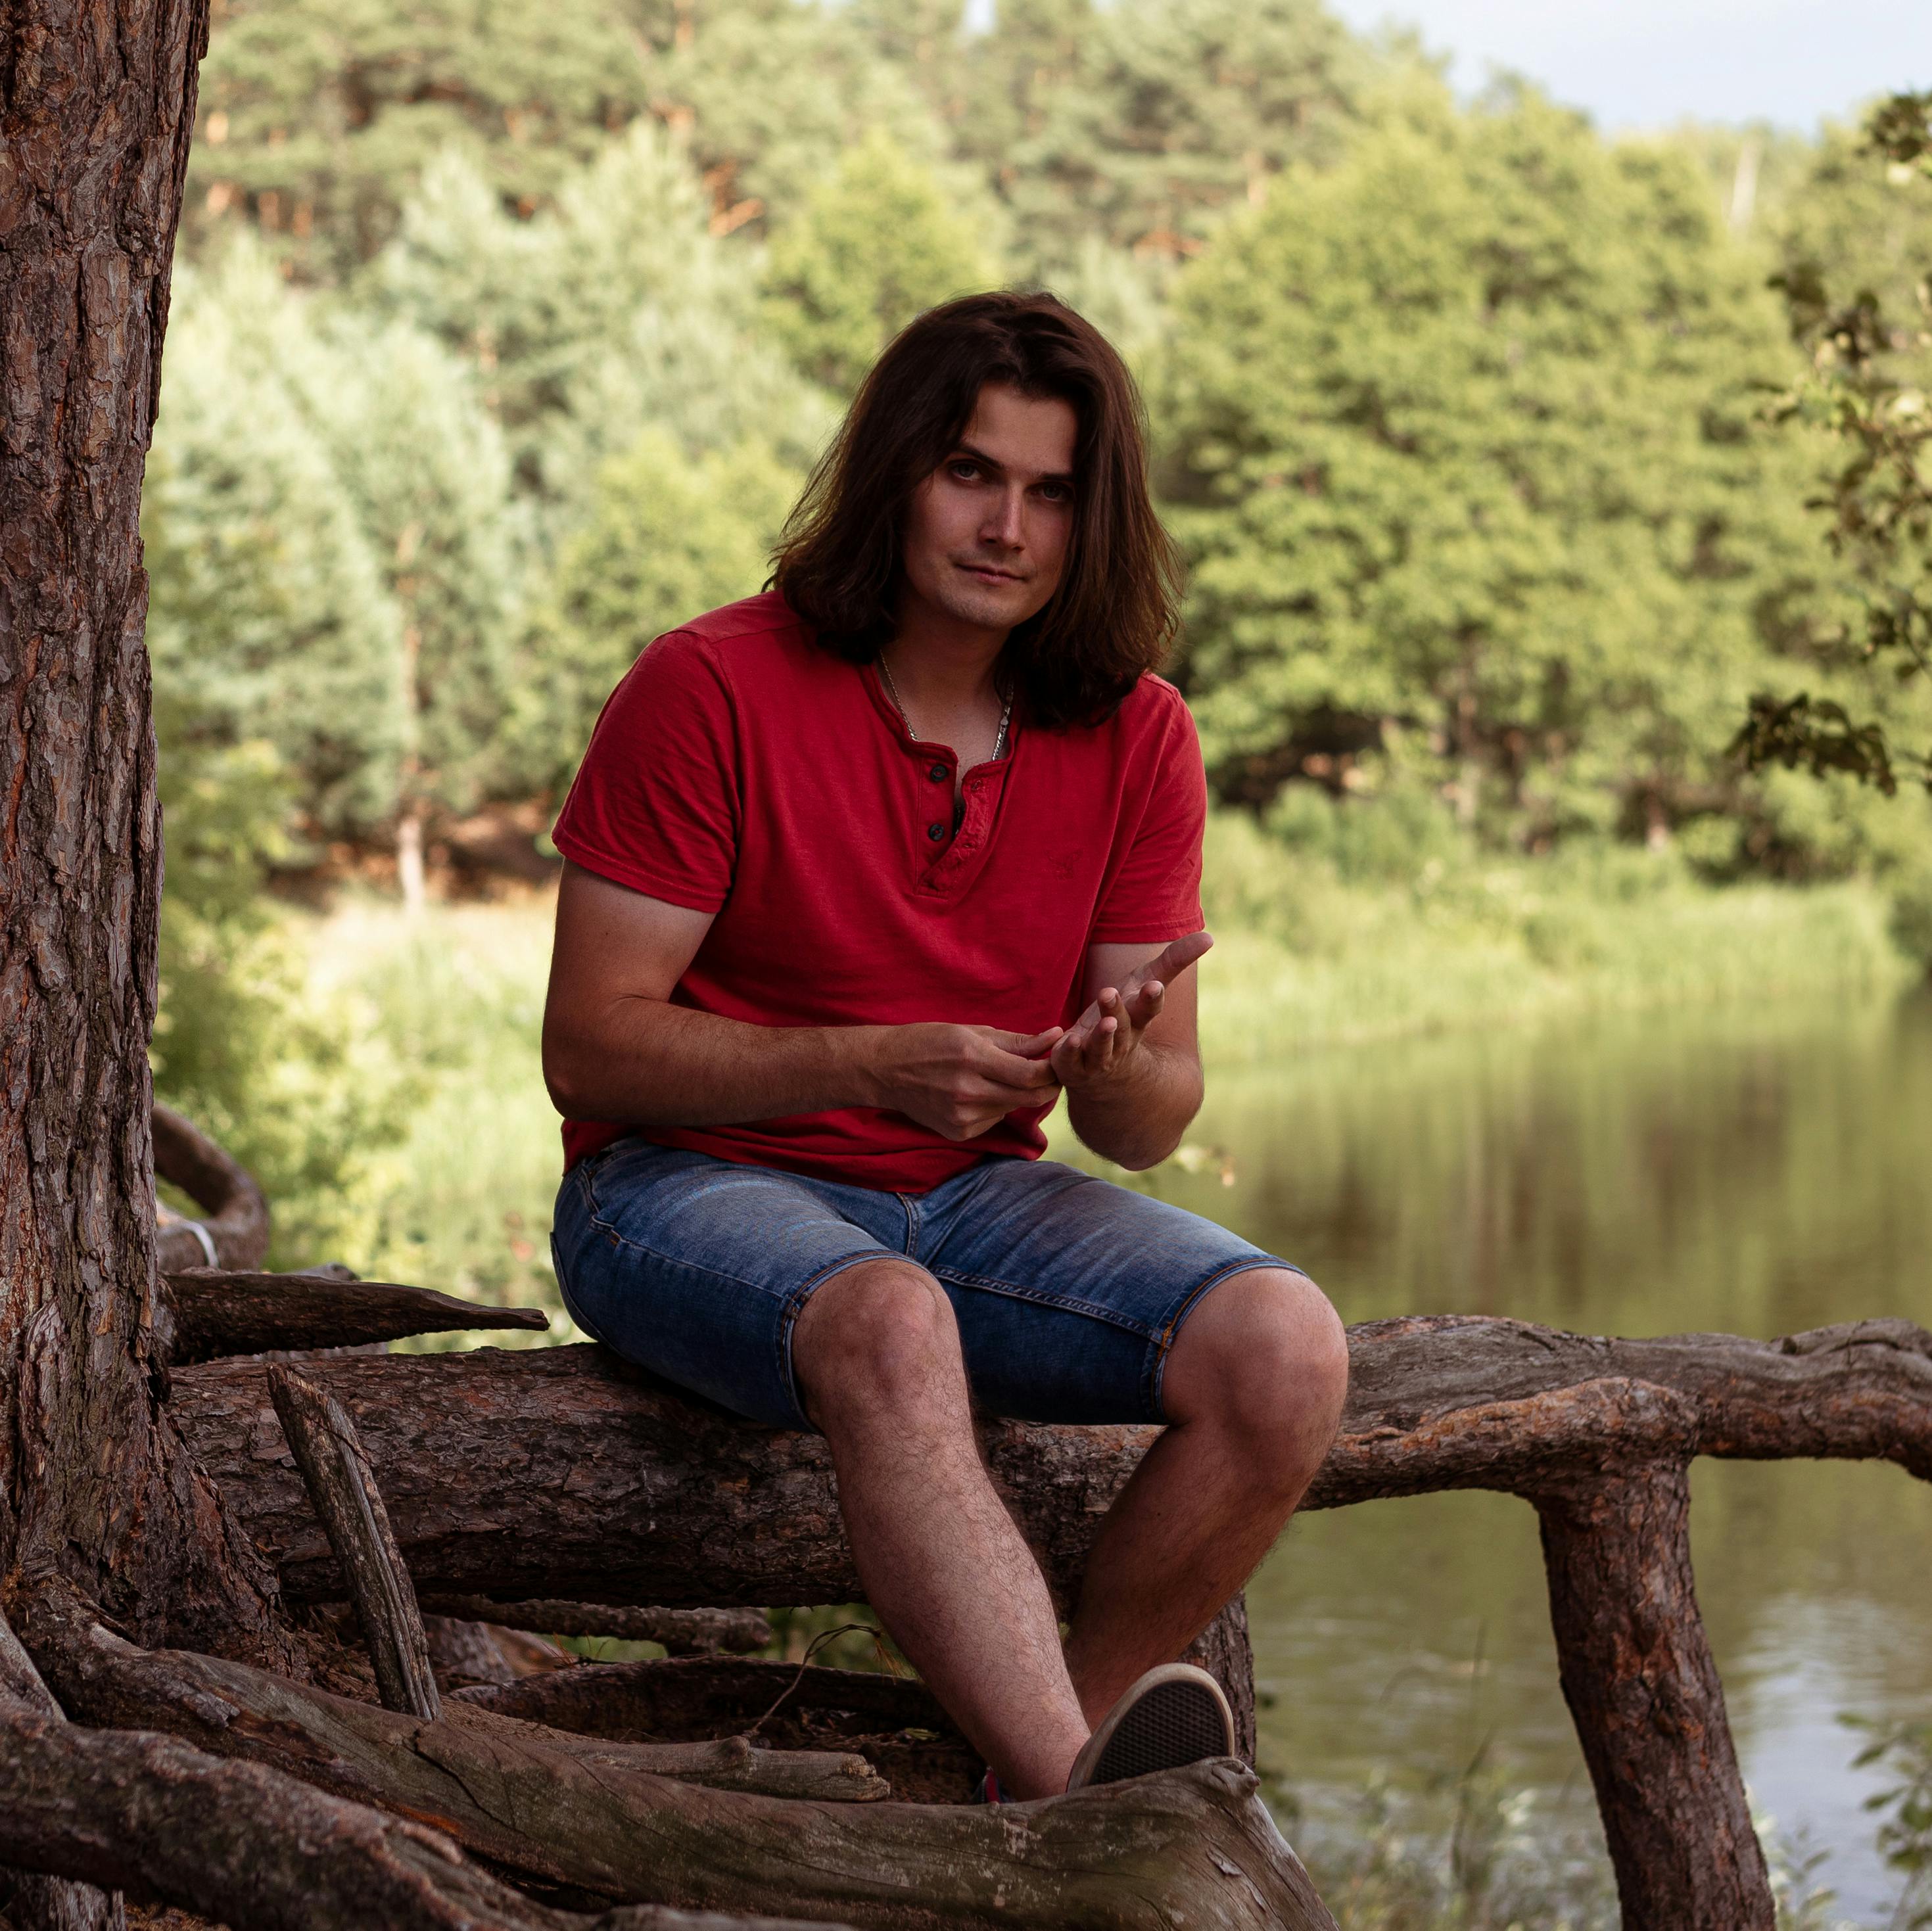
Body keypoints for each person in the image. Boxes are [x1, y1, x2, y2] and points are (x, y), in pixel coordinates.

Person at [542, 290, 1350, 1803]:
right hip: (675, 1188)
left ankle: (1046, 1774)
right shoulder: (707, 687)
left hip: (971, 1198)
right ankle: (1075, 1809)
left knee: (1288, 1346)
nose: (1007, 527)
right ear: (897, 472)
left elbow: (1149, 1122)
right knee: (894, 1319)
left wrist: (1115, 1065)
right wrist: (871, 1063)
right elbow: (590, 1051)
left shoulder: (1138, 733)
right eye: (971, 472)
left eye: (1052, 491)